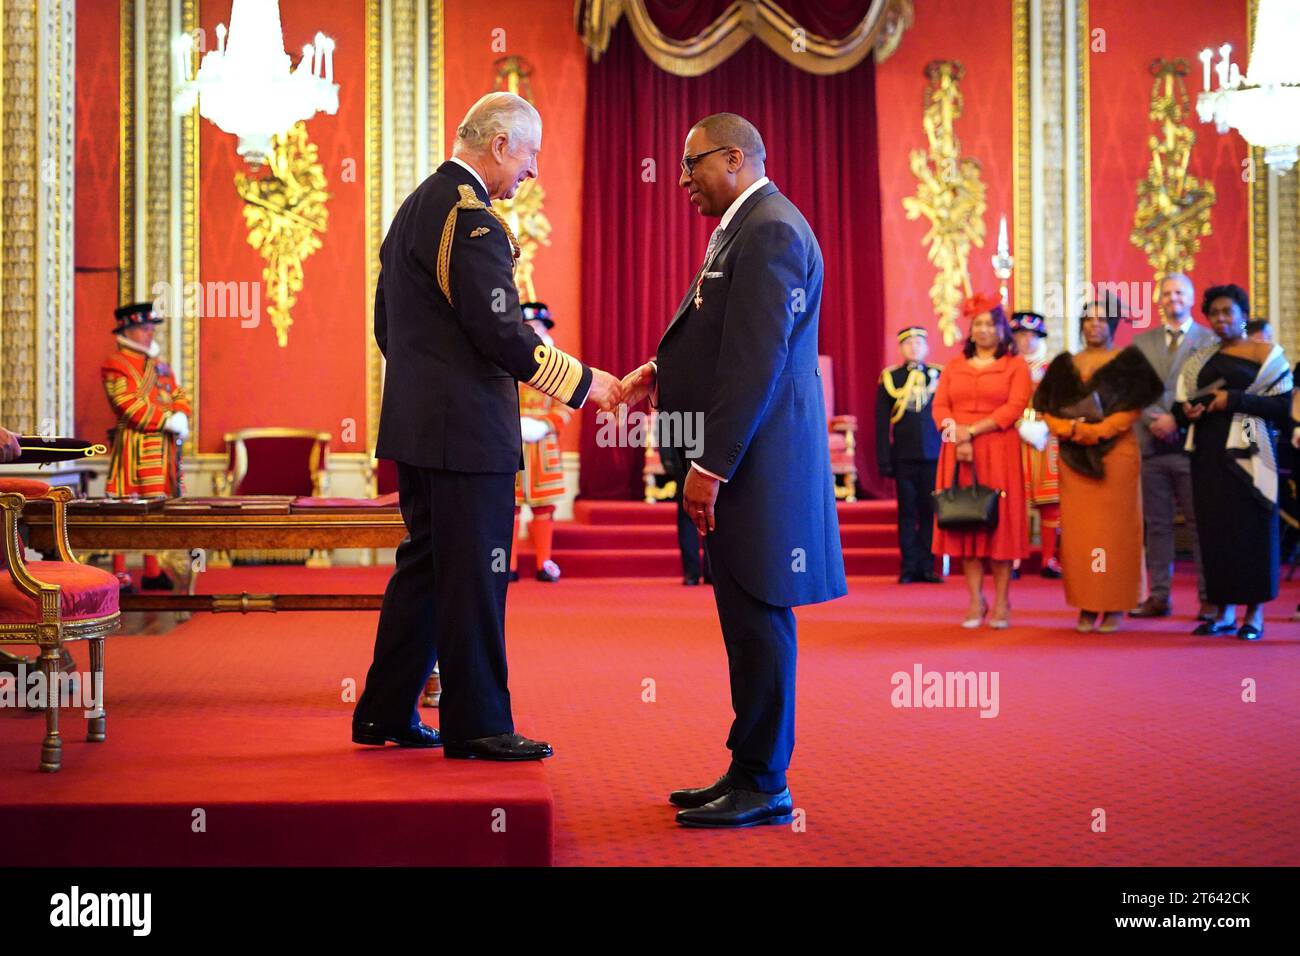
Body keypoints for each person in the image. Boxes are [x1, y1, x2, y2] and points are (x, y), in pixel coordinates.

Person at [353, 92, 623, 759]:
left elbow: (387, 324)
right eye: (530, 156)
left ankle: (384, 712)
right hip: (465, 434)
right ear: (501, 145)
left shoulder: (416, 206)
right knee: (476, 575)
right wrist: (589, 385)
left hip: (419, 429)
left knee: (425, 569)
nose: (531, 173)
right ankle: (477, 724)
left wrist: (429, 385)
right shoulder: (473, 219)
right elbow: (502, 331)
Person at [619, 112, 846, 828]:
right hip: (745, 460)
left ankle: (766, 783)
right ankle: (747, 766)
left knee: (759, 616)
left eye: (692, 165)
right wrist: (665, 367)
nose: (682, 180)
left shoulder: (771, 227)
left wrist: (710, 466)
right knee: (744, 620)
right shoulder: (747, 224)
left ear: (735, 159)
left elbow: (757, 362)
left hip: (757, 465)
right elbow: (726, 334)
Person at [1035, 294, 1163, 632]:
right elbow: (1046, 409)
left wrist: (1100, 431)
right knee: (1081, 536)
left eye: (1103, 318)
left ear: (1114, 324)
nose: (1095, 324)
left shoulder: (1130, 362)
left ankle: (1116, 605)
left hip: (1117, 455)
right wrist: (1073, 429)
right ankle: (1088, 605)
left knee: (1116, 533)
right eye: (1089, 318)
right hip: (1074, 459)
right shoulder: (1065, 364)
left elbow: (1134, 408)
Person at [1174, 284, 1293, 640]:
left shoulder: (1267, 353)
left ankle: (1254, 615)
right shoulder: (1199, 358)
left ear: (1242, 314)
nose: (1222, 319)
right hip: (1209, 453)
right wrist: (1187, 411)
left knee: (1254, 529)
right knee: (1215, 532)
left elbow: (1283, 408)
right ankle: (1223, 611)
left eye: (1228, 312)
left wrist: (1234, 400)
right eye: (1215, 313)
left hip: (1254, 450)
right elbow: (1180, 406)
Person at [930, 294, 1031, 629]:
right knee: (966, 523)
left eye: (990, 323)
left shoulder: (1015, 366)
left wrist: (970, 430)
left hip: (998, 449)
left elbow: (1014, 408)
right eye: (978, 324)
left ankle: (1003, 602)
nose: (984, 330)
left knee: (998, 527)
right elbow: (940, 407)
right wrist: (956, 432)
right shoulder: (954, 365)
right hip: (957, 452)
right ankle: (975, 601)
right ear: (970, 330)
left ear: (1002, 329)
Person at [1128, 273, 1216, 620]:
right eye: (1166, 293)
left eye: (1179, 292)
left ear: (1191, 298)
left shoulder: (1209, 341)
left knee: (1199, 524)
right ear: (1158, 300)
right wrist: (1155, 420)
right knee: (1158, 525)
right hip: (1150, 445)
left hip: (1192, 446)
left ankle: (1209, 597)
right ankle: (1159, 596)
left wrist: (1176, 420)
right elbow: (1133, 387)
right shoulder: (1141, 343)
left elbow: (1212, 388)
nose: (1173, 298)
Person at [101, 302, 192, 591]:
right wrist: (167, 418)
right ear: (127, 329)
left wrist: (181, 414)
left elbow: (179, 393)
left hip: (162, 450)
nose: (150, 334)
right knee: (124, 509)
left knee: (155, 511)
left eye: (152, 328)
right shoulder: (115, 364)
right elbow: (127, 405)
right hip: (133, 446)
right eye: (144, 328)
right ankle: (120, 573)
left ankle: (152, 571)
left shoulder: (161, 365)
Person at [875, 326, 942, 583]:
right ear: (901, 348)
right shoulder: (891, 378)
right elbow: (881, 424)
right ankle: (908, 567)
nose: (914, 347)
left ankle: (927, 566)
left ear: (926, 347)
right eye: (908, 343)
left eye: (918, 342)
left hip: (933, 455)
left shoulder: (939, 375)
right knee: (907, 513)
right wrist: (884, 459)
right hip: (903, 456)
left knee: (929, 512)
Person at [510, 302, 570, 584]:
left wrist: (544, 425)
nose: (534, 333)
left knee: (543, 507)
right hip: (511, 442)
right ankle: (507, 565)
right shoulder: (508, 365)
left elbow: (565, 408)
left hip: (543, 445)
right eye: (528, 328)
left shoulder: (558, 368)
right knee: (509, 506)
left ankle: (543, 561)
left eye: (538, 328)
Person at [1011, 311, 1062, 578]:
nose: (1027, 341)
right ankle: (1014, 559)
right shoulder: (1006, 367)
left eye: (1032, 335)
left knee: (1050, 501)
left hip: (1046, 439)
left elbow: (1063, 402)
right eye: (1021, 335)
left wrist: (1045, 425)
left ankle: (1048, 559)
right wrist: (1019, 424)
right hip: (1013, 437)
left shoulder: (1051, 369)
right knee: (1014, 502)